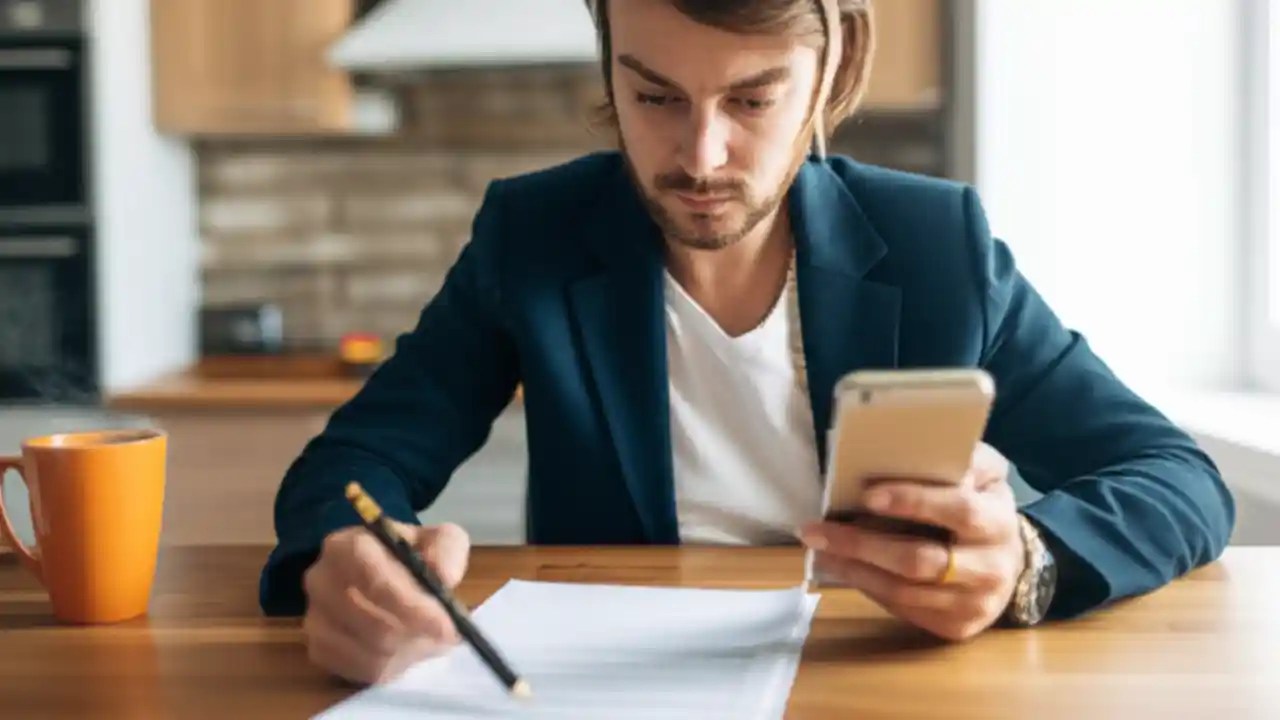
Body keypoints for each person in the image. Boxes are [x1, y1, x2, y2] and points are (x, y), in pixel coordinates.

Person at [262, 0, 1236, 685]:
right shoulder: (532, 235)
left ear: (832, 70)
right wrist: (346, 559)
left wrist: (1026, 563)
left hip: (878, 683)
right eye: (652, 97)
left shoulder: (938, 245)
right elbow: (348, 466)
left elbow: (1171, 477)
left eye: (751, 100)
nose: (698, 157)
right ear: (606, 62)